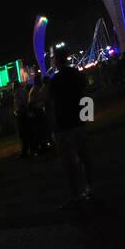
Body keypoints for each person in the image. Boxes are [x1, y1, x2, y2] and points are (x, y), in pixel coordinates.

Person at [47, 52, 95, 208]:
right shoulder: (76, 74)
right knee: (85, 157)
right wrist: (88, 115)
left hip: (64, 124)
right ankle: (90, 188)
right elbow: (85, 93)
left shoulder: (55, 81)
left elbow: (53, 104)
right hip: (79, 121)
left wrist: (54, 126)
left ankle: (75, 195)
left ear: (56, 62)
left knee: (70, 162)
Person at [12, 79, 33, 158]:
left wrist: (17, 111)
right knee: (28, 132)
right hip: (24, 112)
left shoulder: (17, 93)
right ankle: (31, 149)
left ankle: (25, 151)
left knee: (22, 133)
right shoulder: (24, 91)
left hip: (21, 113)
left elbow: (19, 104)